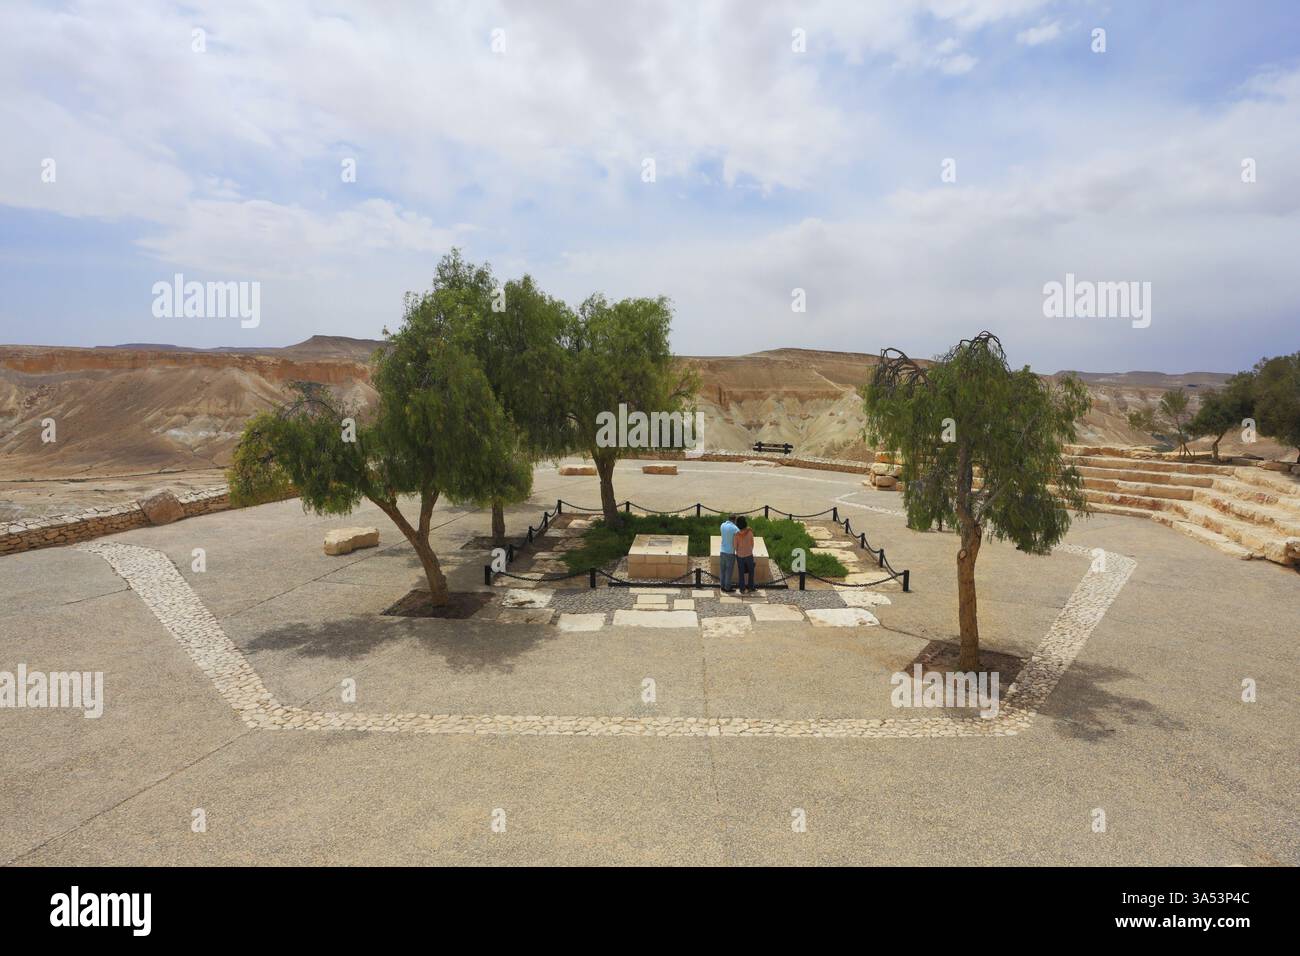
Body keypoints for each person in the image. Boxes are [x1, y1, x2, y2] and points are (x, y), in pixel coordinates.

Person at [734, 515, 756, 592]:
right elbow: (752, 543)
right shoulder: (750, 532)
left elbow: (735, 546)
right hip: (749, 554)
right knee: (751, 571)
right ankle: (751, 587)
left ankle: (742, 588)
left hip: (740, 555)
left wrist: (739, 551)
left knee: (741, 572)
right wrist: (749, 550)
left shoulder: (736, 534)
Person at [719, 514, 739, 592]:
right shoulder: (735, 528)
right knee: (729, 571)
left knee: (722, 570)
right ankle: (727, 587)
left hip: (722, 550)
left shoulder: (722, 525)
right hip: (730, 552)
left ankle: (722, 586)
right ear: (734, 520)